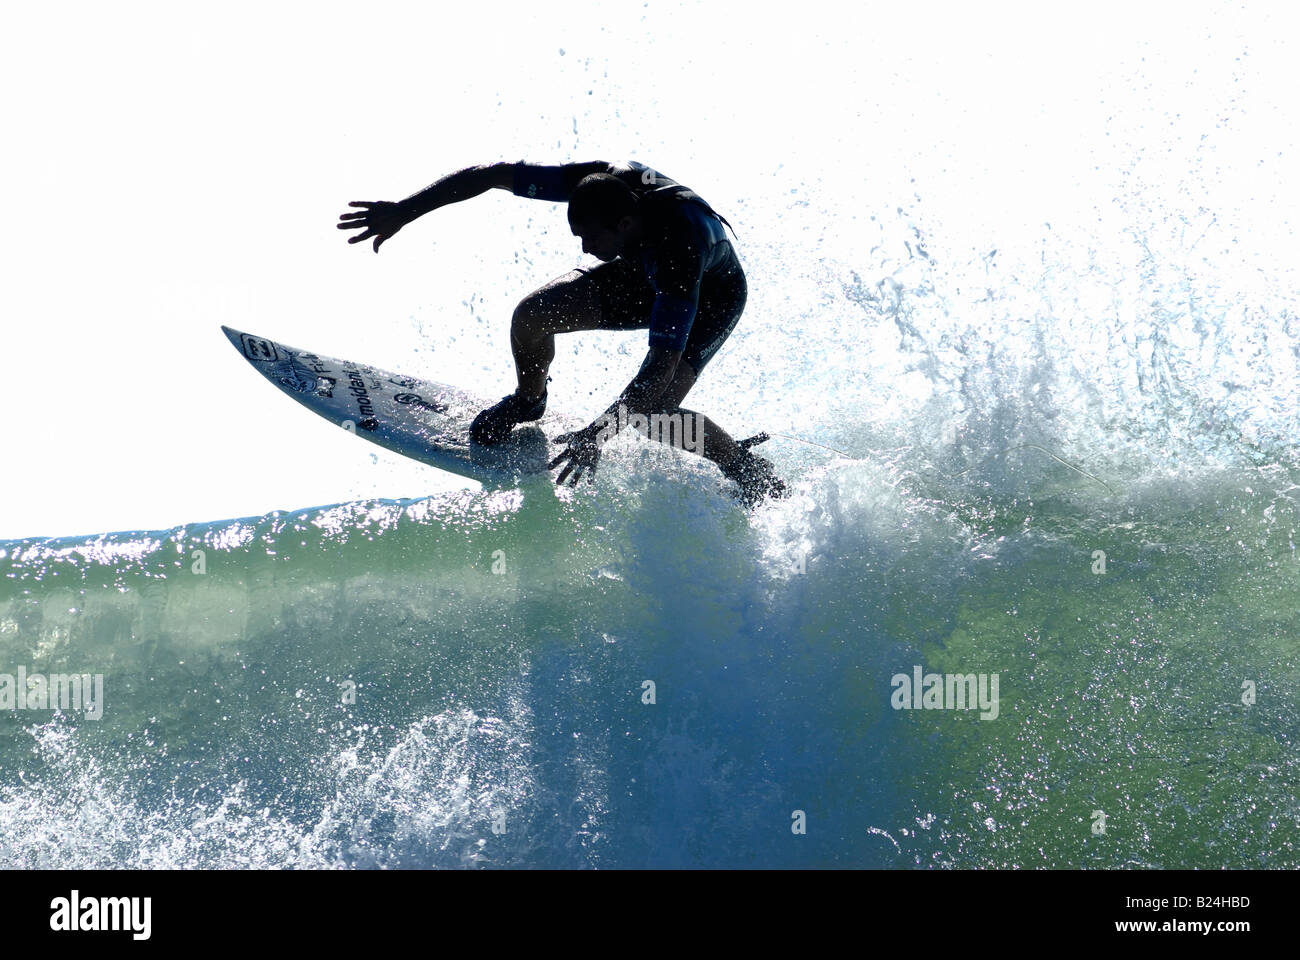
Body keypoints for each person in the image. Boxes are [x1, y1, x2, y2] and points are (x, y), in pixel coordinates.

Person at [337, 159, 786, 507]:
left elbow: (659, 367)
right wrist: (404, 210)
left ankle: (740, 466)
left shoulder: (678, 249)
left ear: (624, 223)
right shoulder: (603, 182)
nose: (584, 249)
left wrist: (597, 433)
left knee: (654, 413)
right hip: (637, 270)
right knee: (531, 316)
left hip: (709, 296)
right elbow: (491, 175)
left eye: (589, 238)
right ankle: (529, 400)